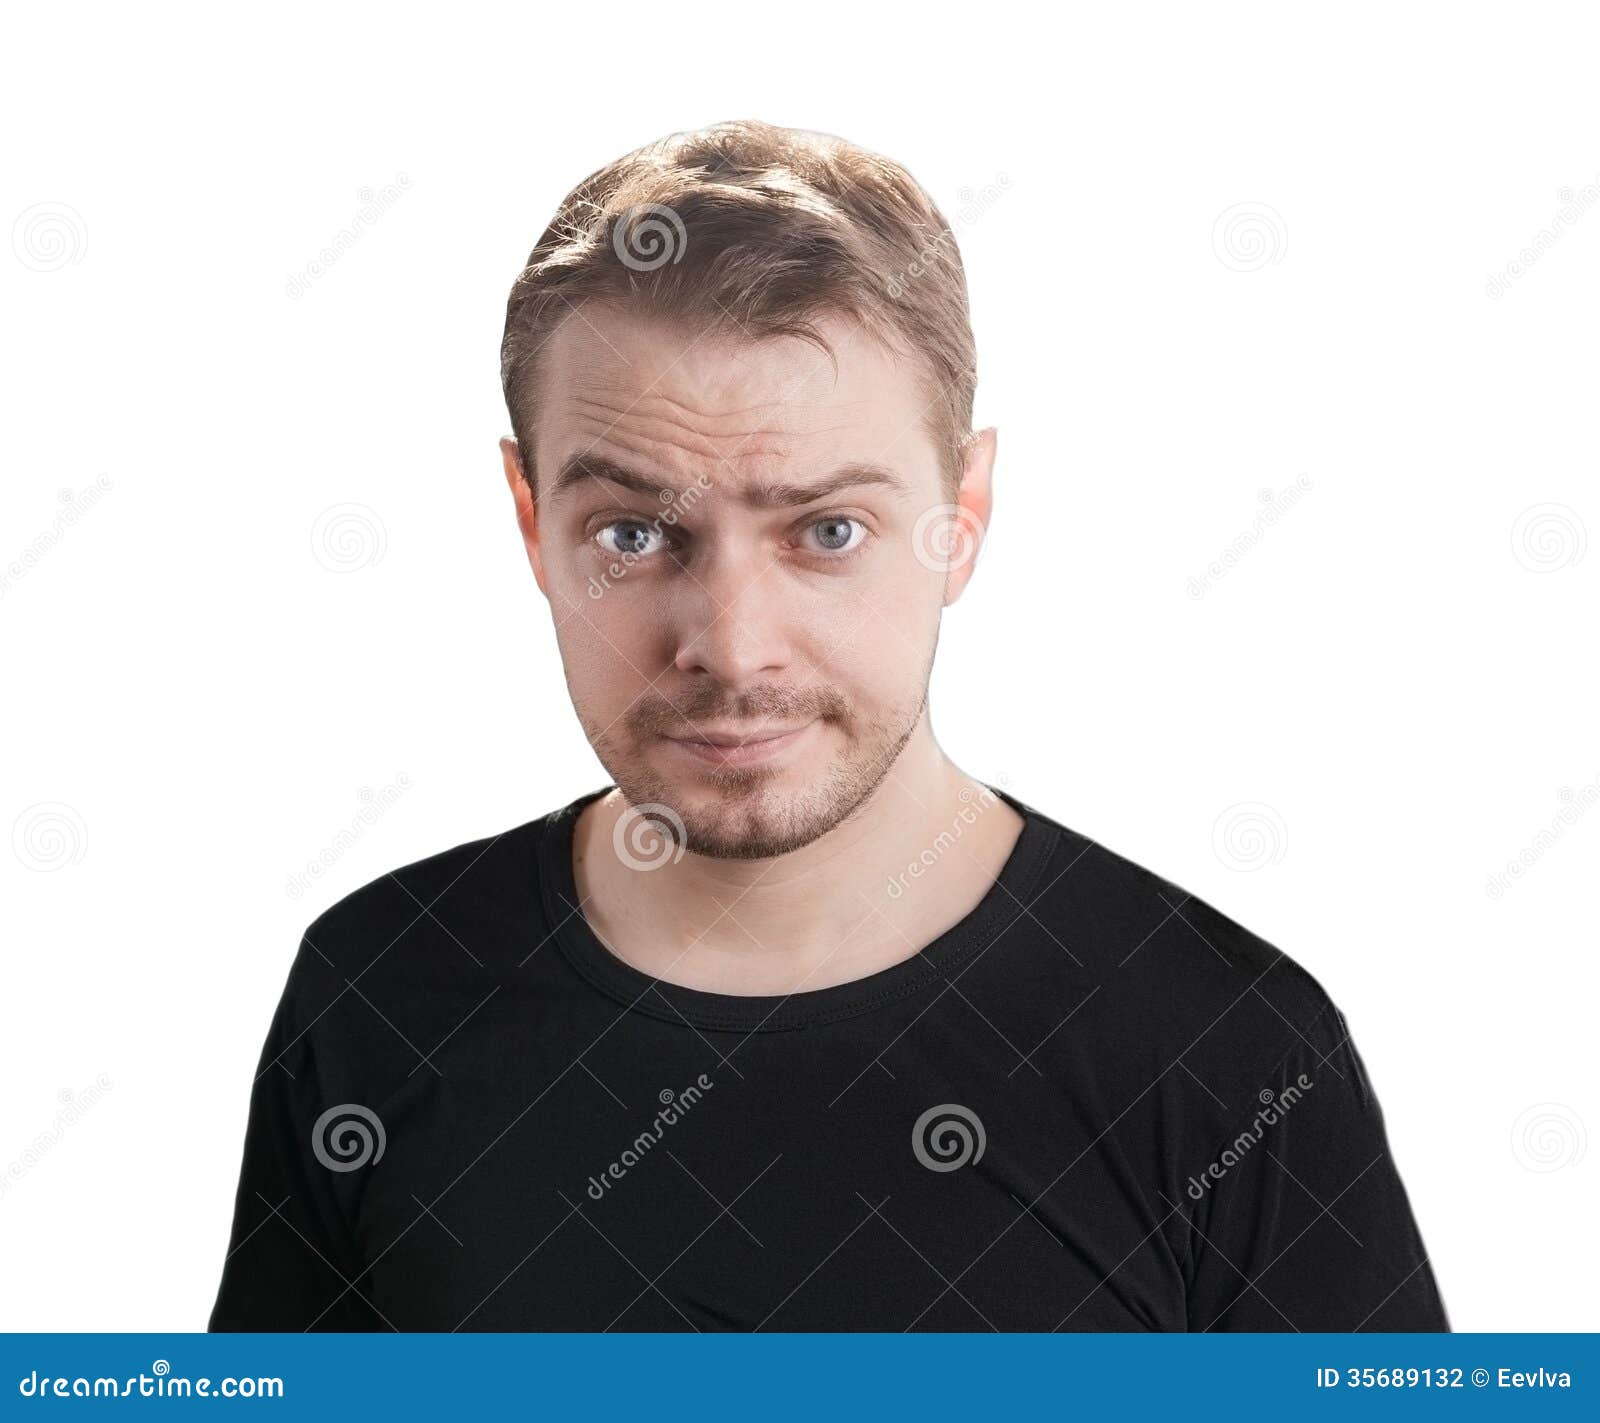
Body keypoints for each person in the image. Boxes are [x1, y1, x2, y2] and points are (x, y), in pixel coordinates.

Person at [209, 119, 1447, 1332]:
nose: (733, 646)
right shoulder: (380, 989)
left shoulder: (1228, 1050)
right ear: (532, 523)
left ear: (960, 516)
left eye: (826, 530)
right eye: (633, 534)